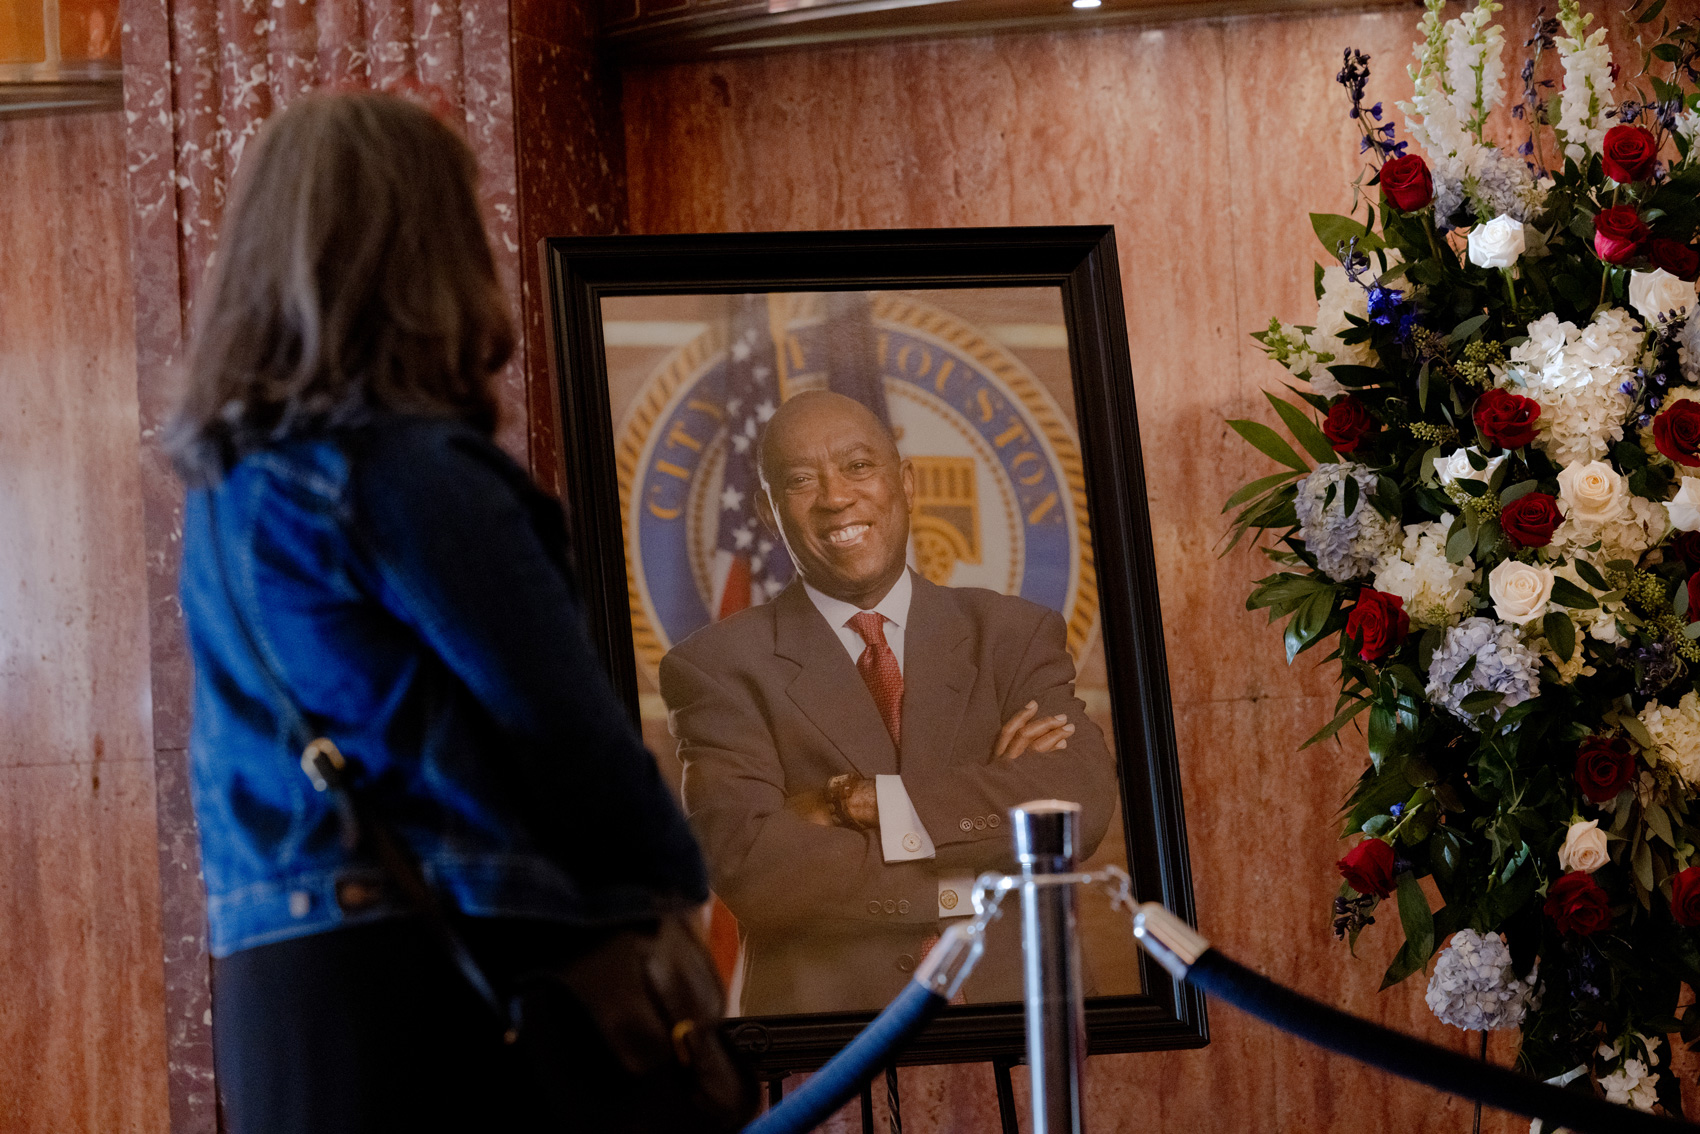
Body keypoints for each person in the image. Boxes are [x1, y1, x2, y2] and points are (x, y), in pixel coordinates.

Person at [168, 90, 708, 1133]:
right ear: (429, 252)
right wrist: (678, 894)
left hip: (277, 982)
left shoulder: (230, 490)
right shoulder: (408, 473)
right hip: (446, 974)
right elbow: (561, 726)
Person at [660, 390, 1115, 1016]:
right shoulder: (716, 667)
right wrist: (963, 879)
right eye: (799, 480)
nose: (836, 497)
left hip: (1024, 1021)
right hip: (830, 1046)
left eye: (858, 466)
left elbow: (1075, 806)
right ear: (768, 512)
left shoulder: (1012, 634)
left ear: (905, 482)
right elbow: (751, 868)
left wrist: (864, 804)